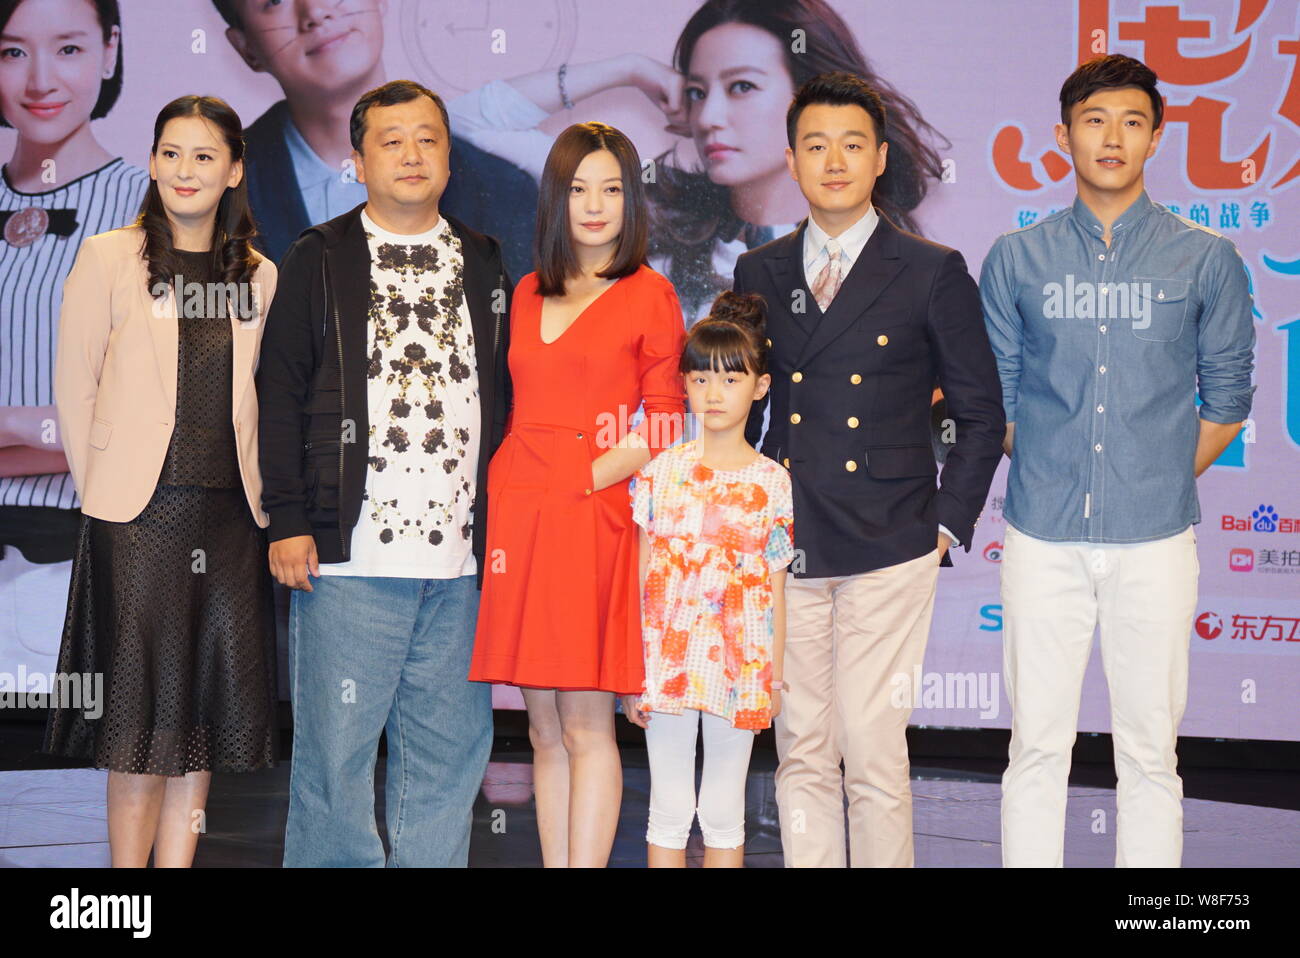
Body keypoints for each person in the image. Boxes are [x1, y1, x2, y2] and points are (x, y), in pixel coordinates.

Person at [981, 55, 1256, 868]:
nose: (1112, 137)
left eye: (1132, 122)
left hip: (1155, 539)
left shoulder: (1204, 258)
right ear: (1063, 135)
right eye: (1095, 120)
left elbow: (1228, 400)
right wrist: (1061, 474)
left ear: (1156, 136)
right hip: (1042, 535)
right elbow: (997, 399)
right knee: (1036, 745)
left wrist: (1155, 474)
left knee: (1148, 753)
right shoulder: (1016, 259)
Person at [735, 72, 1005, 868]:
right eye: (816, 145)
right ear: (790, 160)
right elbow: (749, 411)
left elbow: (979, 413)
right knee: (803, 744)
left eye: (853, 145)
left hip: (892, 541)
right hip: (789, 536)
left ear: (882, 158)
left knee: (874, 746)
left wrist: (945, 524)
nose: (834, 161)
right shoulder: (762, 271)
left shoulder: (930, 268)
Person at [256, 79, 512, 868]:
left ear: (448, 156)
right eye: (391, 140)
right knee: (335, 762)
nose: (412, 154)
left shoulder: (484, 257)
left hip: (461, 563)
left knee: (448, 760)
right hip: (350, 557)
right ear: (357, 160)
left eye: (428, 138)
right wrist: (289, 518)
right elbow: (280, 389)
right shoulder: (319, 256)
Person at [43, 94, 278, 868]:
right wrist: (106, 490)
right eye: (171, 152)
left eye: (205, 156)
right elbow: (74, 390)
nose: (186, 170)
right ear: (151, 162)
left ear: (235, 170)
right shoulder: (110, 257)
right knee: (138, 724)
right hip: (137, 521)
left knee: (201, 716)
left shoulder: (260, 275)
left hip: (230, 521)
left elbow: (259, 398)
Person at [446, 0, 947, 325]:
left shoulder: (881, 255)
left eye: (742, 87)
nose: (709, 116)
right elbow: (458, 128)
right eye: (697, 91)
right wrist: (629, 69)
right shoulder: (642, 209)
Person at [469, 122, 686, 867]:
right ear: (555, 200)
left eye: (613, 189)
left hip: (590, 518)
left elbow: (666, 424)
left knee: (589, 725)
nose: (595, 206)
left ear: (632, 200)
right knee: (540, 729)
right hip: (518, 520)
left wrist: (579, 478)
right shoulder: (526, 290)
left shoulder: (650, 294)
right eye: (578, 189)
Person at [0, 0, 148, 678]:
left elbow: (149, 419)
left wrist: (17, 426)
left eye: (67, 49)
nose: (39, 81)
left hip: (70, 559)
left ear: (109, 50)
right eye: (12, 51)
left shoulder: (149, 207)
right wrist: (46, 429)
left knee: (57, 781)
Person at [621, 290, 794, 868]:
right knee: (668, 804)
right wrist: (631, 670)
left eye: (730, 379)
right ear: (685, 385)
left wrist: (773, 675)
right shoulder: (659, 470)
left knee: (723, 807)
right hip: (665, 656)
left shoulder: (773, 481)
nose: (713, 394)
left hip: (740, 657)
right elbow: (641, 573)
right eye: (699, 379)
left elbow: (775, 586)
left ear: (760, 386)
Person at [210, 0, 536, 278]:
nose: (315, 11)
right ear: (245, 47)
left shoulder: (506, 191)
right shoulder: (210, 197)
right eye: (275, 0)